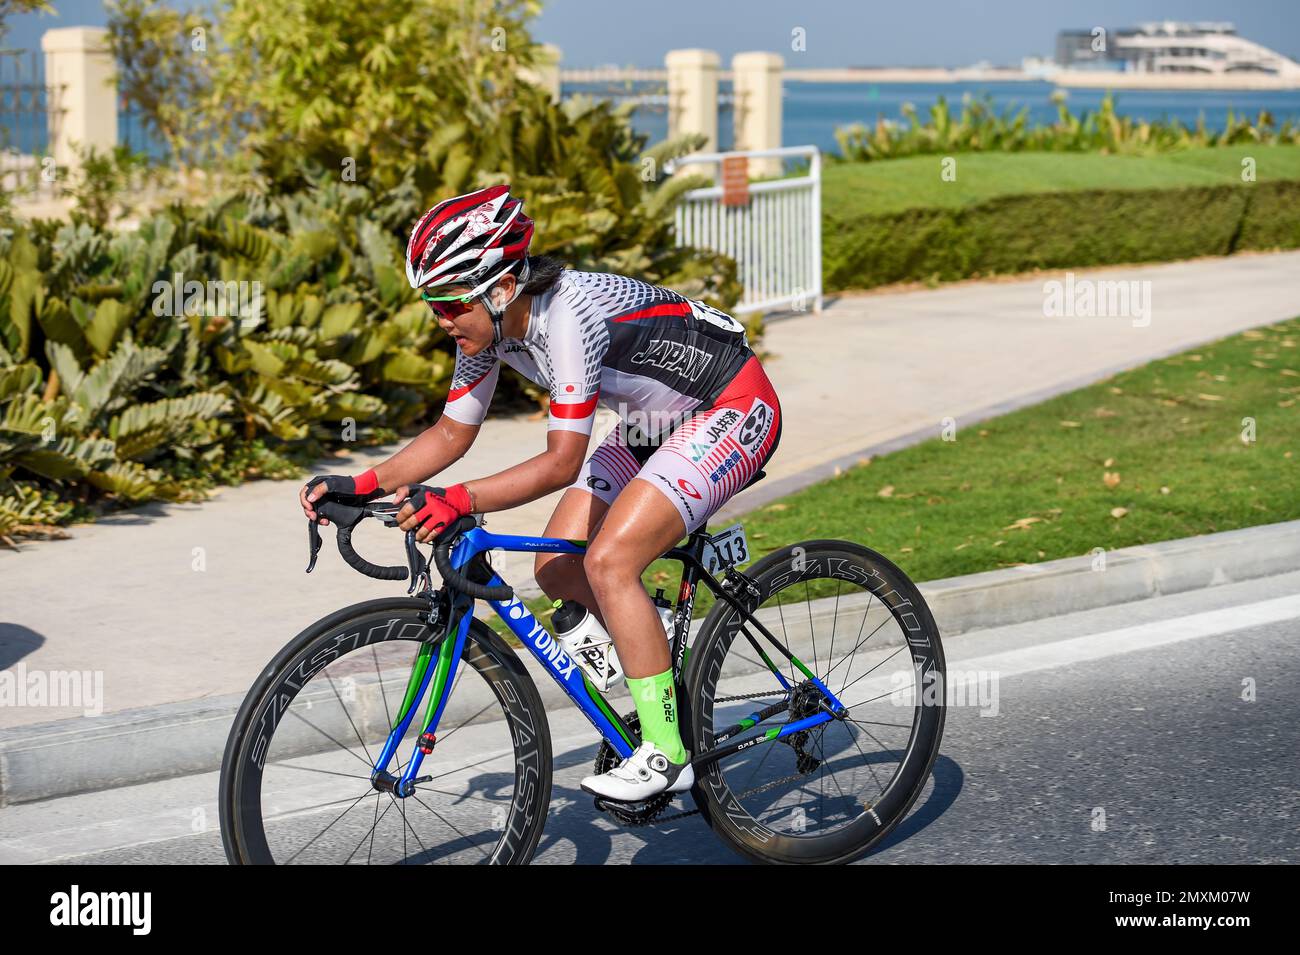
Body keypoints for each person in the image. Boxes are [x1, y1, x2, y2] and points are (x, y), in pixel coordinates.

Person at [300, 184, 783, 801]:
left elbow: (561, 462)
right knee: (555, 566)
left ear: (501, 288)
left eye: (450, 305)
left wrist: (457, 500)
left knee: (610, 562)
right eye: (433, 306)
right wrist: (359, 482)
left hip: (732, 407)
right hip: (654, 422)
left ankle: (667, 752)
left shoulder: (568, 318)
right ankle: (652, 637)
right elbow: (451, 432)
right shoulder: (491, 330)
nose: (442, 321)